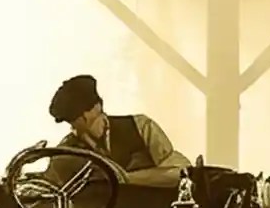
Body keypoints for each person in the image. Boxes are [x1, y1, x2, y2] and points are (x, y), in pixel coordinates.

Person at [47, 74, 191, 187]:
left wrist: (128, 179)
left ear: (97, 107)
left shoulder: (140, 126)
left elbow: (182, 173)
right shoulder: (65, 152)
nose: (76, 126)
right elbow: (53, 187)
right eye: (72, 121)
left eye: (83, 114)